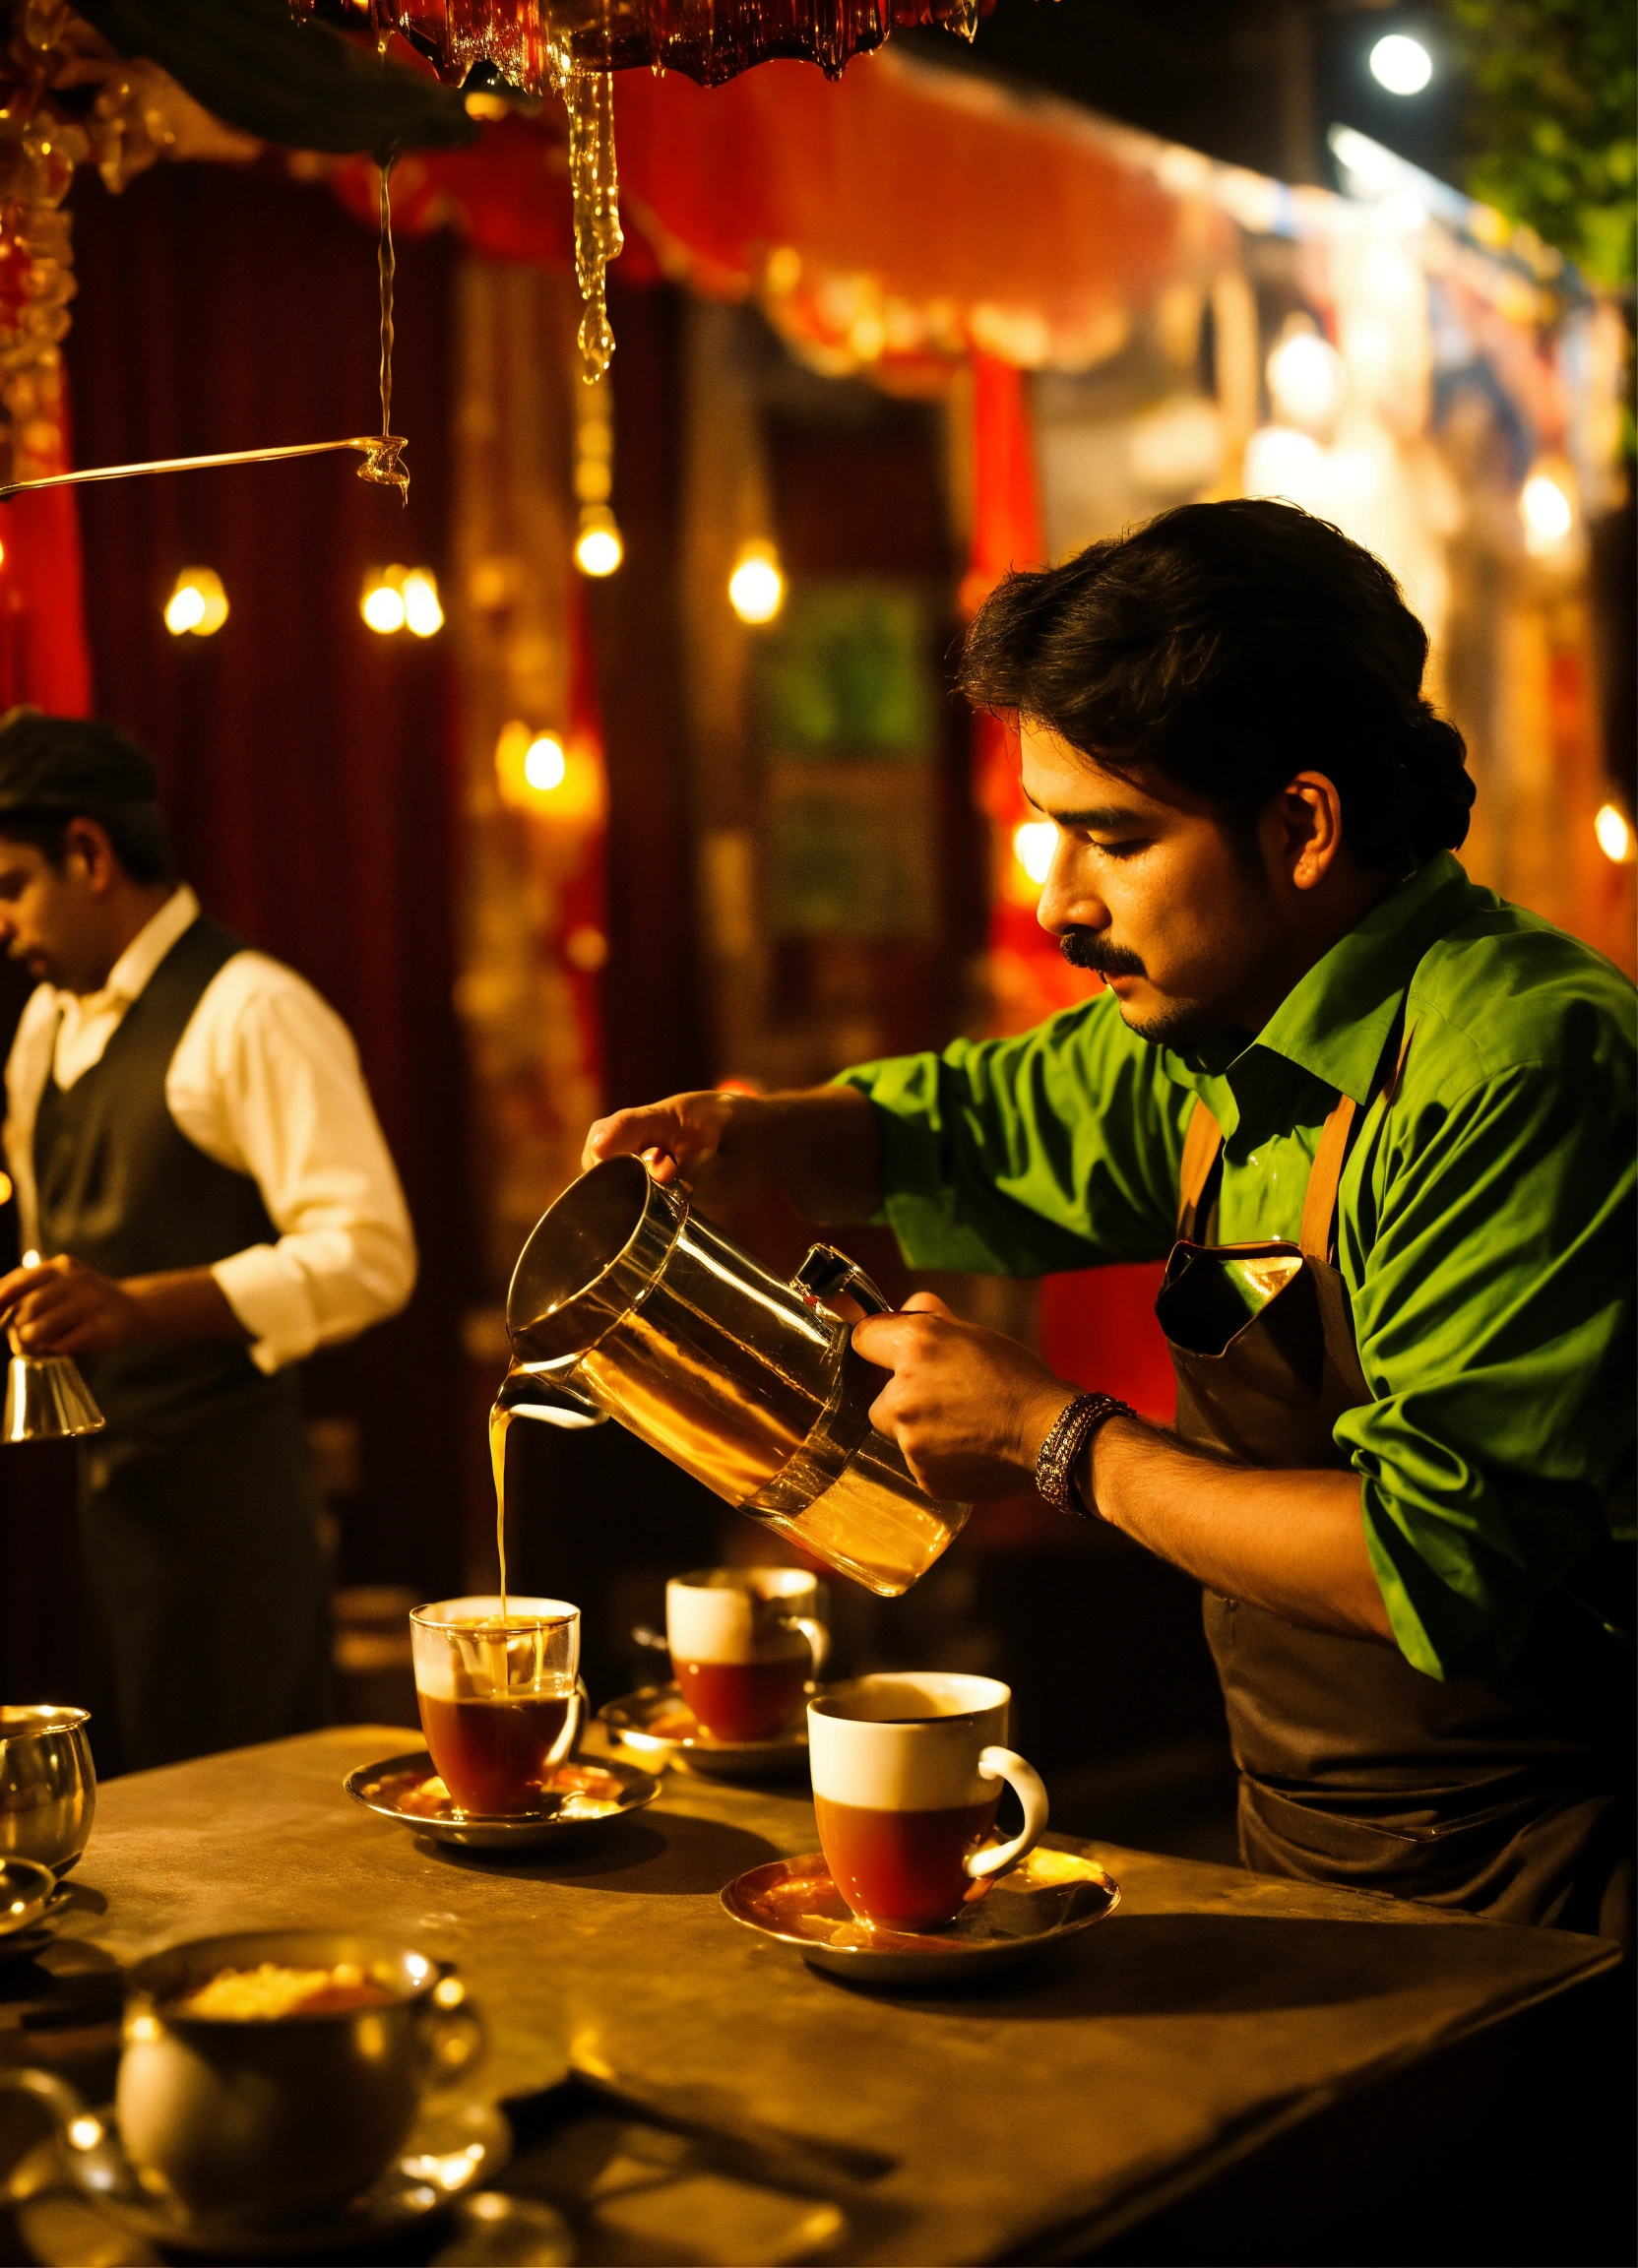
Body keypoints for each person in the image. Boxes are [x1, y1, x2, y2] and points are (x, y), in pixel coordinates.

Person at [586, 500, 1635, 1937]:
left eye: (1114, 840)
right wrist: (749, 1134)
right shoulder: (1208, 1037)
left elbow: (1433, 1565)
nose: (1059, 906)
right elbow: (974, 1126)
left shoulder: (1515, 1064)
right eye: (1048, 837)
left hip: (1562, 1868)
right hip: (1313, 1838)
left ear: (1305, 827)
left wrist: (1055, 1440)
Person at [0, 710, 416, 1772]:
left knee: (246, 1828)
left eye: (11, 886)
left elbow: (371, 1251)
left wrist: (142, 1308)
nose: (3, 925)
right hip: (98, 1515)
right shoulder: (45, 1026)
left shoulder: (252, 1010)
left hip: (232, 1520)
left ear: (89, 855)